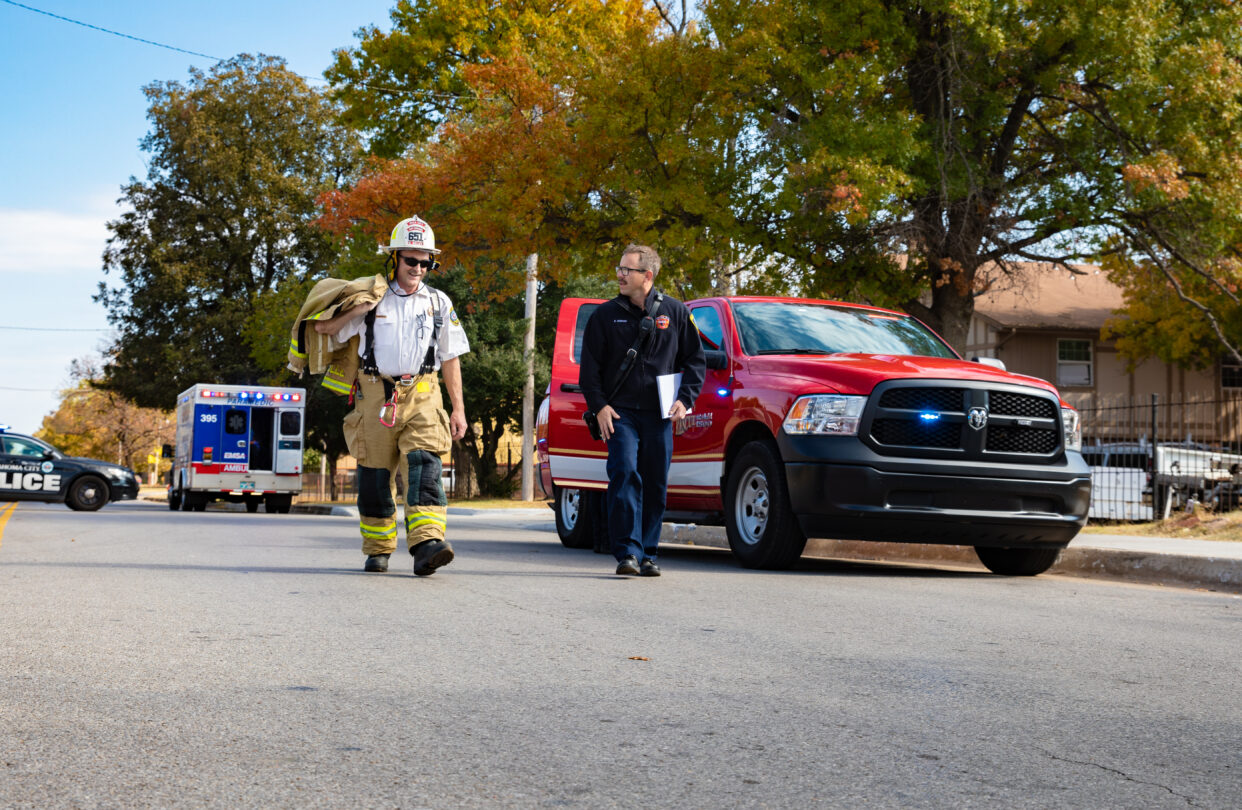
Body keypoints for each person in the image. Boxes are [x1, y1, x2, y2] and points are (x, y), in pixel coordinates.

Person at [313, 215, 470, 576]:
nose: (418, 268)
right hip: (374, 396)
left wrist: (458, 409)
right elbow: (324, 329)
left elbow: (451, 358)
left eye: (425, 261)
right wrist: (357, 310)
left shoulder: (439, 303)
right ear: (395, 258)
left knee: (425, 465)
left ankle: (427, 544)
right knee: (374, 478)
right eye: (411, 260)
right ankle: (378, 548)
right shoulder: (371, 299)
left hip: (424, 392)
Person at [578, 244, 706, 577]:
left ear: (647, 276)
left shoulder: (676, 313)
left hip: (659, 415)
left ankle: (649, 552)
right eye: (619, 268)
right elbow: (589, 370)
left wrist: (686, 399)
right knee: (624, 472)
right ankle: (628, 553)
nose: (619, 275)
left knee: (654, 482)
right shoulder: (605, 315)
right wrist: (600, 406)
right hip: (620, 413)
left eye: (627, 270)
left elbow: (695, 360)